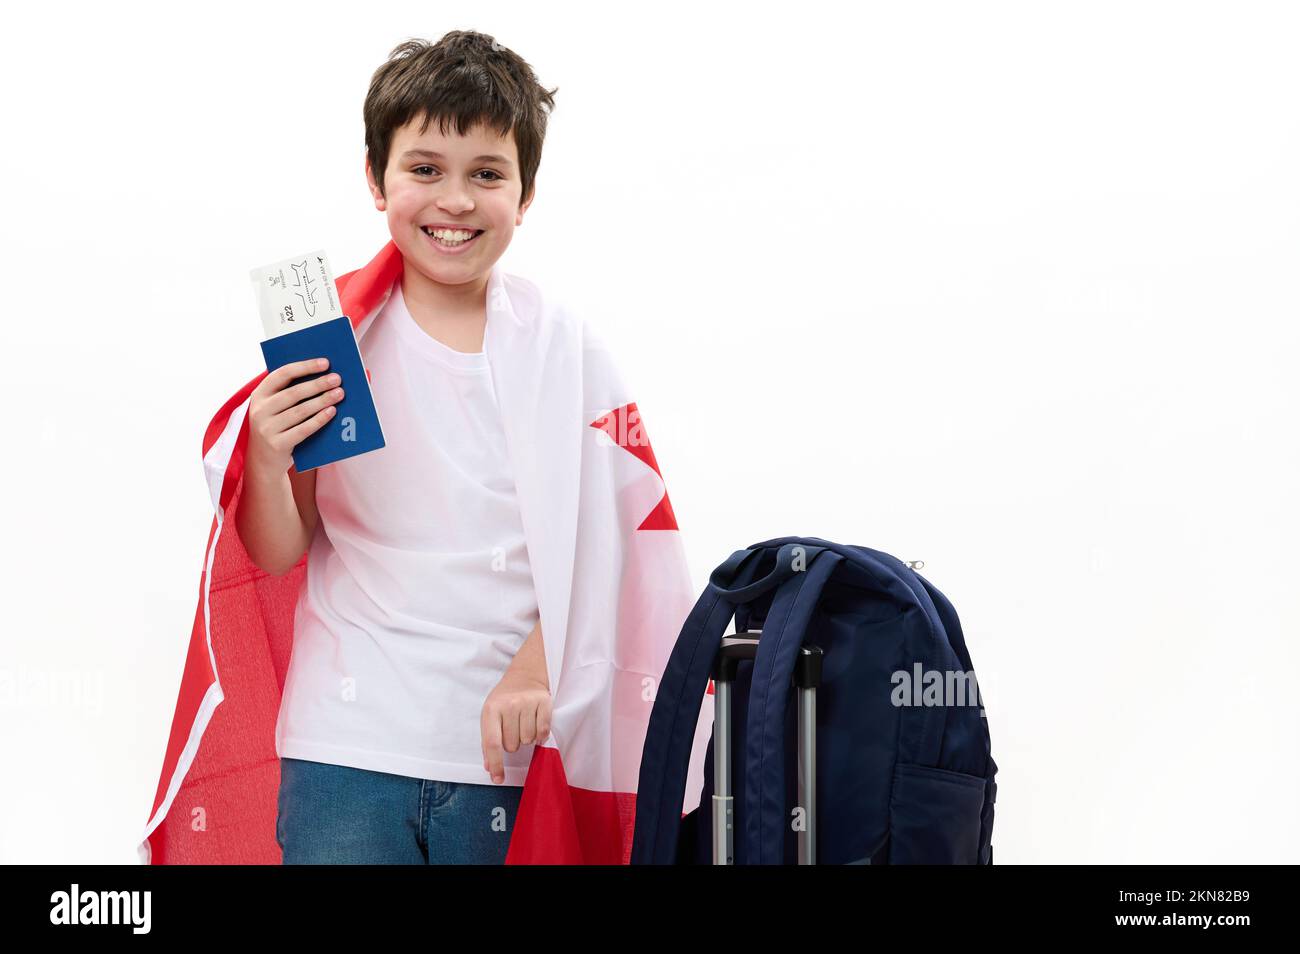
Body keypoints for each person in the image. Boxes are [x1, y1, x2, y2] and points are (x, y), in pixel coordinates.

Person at [138, 30, 699, 865]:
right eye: (425, 169)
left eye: (487, 174)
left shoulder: (561, 349)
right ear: (377, 179)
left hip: (501, 752)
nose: (456, 201)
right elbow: (281, 548)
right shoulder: (333, 339)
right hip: (344, 750)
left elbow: (608, 541)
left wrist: (536, 667)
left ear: (527, 191)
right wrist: (264, 451)